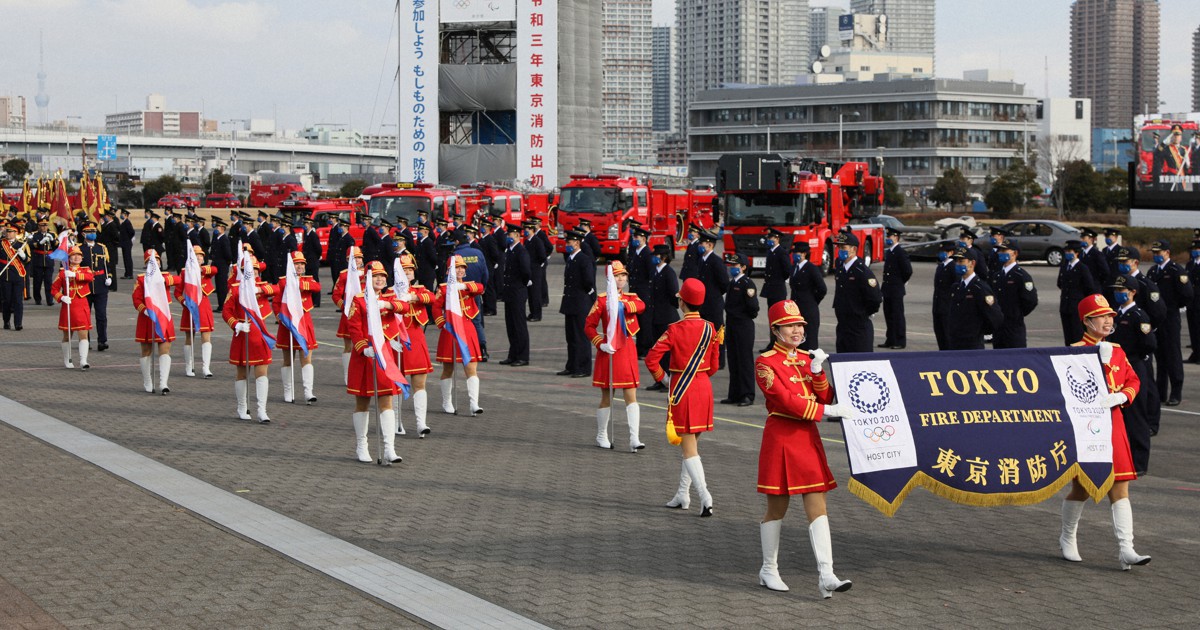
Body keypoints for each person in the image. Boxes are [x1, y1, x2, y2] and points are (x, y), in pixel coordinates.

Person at [753, 300, 855, 597]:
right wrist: (828, 412)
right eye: (790, 325)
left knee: (817, 503)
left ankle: (827, 573)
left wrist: (818, 371)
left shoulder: (803, 358)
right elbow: (785, 401)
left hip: (806, 437)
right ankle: (768, 569)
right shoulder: (765, 363)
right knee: (777, 506)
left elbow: (825, 395)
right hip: (782, 437)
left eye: (800, 325)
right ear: (775, 330)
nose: (797, 330)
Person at [1059, 294, 1151, 572]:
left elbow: (1133, 379)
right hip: (1087, 427)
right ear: (1087, 321)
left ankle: (1126, 549)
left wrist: (1123, 396)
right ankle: (1067, 536)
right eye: (1101, 316)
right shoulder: (1073, 351)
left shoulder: (1117, 350)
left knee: (1120, 486)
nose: (1108, 320)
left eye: (1110, 315)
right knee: (1083, 487)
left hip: (1114, 425)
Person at [646, 278, 720, 517]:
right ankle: (682, 494)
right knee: (693, 446)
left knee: (689, 449)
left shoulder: (674, 330)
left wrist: (664, 379)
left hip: (682, 389)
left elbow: (651, 359)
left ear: (682, 302)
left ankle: (705, 496)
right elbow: (713, 367)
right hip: (703, 387)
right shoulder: (711, 328)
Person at [345, 260, 409, 463]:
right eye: (376, 276)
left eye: (382, 276)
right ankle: (361, 446)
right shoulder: (358, 300)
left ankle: (389, 448)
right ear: (367, 279)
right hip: (365, 355)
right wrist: (363, 348)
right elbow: (354, 327)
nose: (380, 279)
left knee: (386, 400)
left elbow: (404, 307)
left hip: (383, 355)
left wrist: (387, 304)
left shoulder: (389, 297)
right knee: (362, 402)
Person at [585, 261, 646, 451]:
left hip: (626, 349)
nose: (621, 279)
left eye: (623, 276)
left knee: (631, 394)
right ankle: (601, 435)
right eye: (617, 276)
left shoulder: (631, 297)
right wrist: (600, 344)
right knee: (607, 397)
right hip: (609, 350)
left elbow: (641, 306)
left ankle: (634, 438)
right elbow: (589, 326)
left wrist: (621, 304)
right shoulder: (602, 300)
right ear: (609, 278)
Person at [1107, 274, 1157, 473]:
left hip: (1134, 366)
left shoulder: (1139, 316)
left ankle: (1139, 462)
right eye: (1117, 290)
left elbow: (1149, 344)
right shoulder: (1116, 314)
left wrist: (1136, 357)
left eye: (1122, 290)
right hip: (1117, 367)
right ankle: (1122, 458)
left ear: (1133, 292)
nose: (1118, 293)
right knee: (1121, 416)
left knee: (1136, 415)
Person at [223, 250, 276, 423]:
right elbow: (226, 311)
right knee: (242, 373)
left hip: (259, 333)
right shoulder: (236, 289)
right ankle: (242, 406)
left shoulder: (262, 286)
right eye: (249, 270)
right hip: (243, 333)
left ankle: (262, 410)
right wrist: (236, 324)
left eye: (255, 270)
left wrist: (259, 288)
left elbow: (276, 288)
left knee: (262, 372)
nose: (252, 272)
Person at [432, 255, 486, 415]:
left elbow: (481, 288)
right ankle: (447, 402)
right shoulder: (443, 289)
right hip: (451, 329)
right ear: (449, 270)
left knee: (471, 366)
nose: (460, 270)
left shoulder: (469, 286)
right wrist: (442, 323)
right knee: (448, 368)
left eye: (462, 267)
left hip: (467, 328)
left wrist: (461, 288)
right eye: (457, 267)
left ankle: (474, 403)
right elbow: (436, 308)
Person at [1145, 239, 1192, 406]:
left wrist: (1173, 308)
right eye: (1154, 253)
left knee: (1173, 356)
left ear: (1167, 253)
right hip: (1156, 320)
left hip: (1170, 318)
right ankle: (1160, 392)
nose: (1156, 255)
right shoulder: (1152, 271)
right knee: (1160, 357)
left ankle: (1176, 392)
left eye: (1159, 253)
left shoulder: (1175, 271)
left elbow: (1187, 294)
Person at [395, 254, 436, 437]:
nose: (408, 272)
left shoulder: (419, 290)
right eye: (405, 270)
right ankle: (396, 422)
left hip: (416, 338)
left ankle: (421, 423)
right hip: (397, 339)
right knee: (397, 383)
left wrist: (411, 296)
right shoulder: (390, 291)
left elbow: (431, 298)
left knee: (420, 382)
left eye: (410, 269)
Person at [274, 251, 321, 404]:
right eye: (296, 263)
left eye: (302, 264)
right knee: (288, 360)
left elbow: (317, 287)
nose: (300, 266)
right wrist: (280, 317)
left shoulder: (308, 280)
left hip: (304, 322)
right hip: (288, 324)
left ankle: (309, 392)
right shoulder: (283, 282)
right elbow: (276, 302)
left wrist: (297, 283)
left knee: (306, 357)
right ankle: (289, 391)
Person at [132, 250, 178, 394]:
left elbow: (179, 280)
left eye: (157, 260)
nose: (156, 262)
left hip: (163, 316)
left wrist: (165, 280)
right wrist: (145, 310)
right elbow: (136, 299)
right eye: (151, 261)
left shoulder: (165, 276)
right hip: (147, 318)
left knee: (165, 349)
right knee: (146, 351)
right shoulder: (141, 279)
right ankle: (148, 380)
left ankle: (163, 383)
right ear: (146, 264)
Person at [831, 231, 882, 353]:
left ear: (853, 249)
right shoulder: (840, 266)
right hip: (843, 325)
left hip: (858, 327)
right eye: (838, 247)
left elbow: (875, 298)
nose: (840, 250)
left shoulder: (861, 271)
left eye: (843, 247)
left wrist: (862, 313)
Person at [945, 247, 1004, 350]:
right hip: (955, 341)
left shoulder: (980, 288)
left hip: (972, 344)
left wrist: (979, 331)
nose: (958, 264)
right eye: (957, 261)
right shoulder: (956, 287)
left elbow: (995, 317)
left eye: (961, 261)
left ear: (972, 263)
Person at [721, 253, 759, 406]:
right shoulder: (732, 283)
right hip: (732, 325)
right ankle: (735, 393)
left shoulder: (747, 284)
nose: (732, 268)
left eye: (735, 266)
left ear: (743, 267)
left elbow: (753, 307)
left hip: (743, 325)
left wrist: (743, 316)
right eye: (730, 265)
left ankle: (747, 394)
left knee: (744, 361)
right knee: (733, 359)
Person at [559, 229, 596, 378]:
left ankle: (583, 367)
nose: (567, 244)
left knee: (581, 337)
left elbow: (588, 282)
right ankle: (572, 365)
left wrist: (584, 295)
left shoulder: (583, 259)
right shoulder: (571, 258)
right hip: (570, 302)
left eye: (569, 242)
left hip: (580, 302)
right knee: (571, 336)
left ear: (577, 243)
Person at [175, 245, 217, 378]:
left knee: (206, 335)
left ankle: (206, 368)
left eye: (201, 255)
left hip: (203, 306)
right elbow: (177, 292)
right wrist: (184, 302)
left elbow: (215, 270)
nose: (199, 257)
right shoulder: (184, 272)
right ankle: (189, 366)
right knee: (189, 336)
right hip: (190, 307)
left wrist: (199, 268)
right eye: (196, 255)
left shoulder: (206, 270)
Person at [988, 239, 1038, 349]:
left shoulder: (1021, 276)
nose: (1000, 253)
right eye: (1000, 250)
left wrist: (1016, 313)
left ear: (1014, 253)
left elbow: (1031, 301)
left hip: (1014, 327)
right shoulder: (997, 276)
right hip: (998, 328)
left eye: (1004, 250)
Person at [51, 246, 94, 369]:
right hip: (68, 305)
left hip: (81, 304)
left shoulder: (86, 269)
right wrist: (61, 297)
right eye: (73, 255)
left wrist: (74, 274)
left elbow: (89, 278)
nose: (76, 257)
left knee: (83, 333)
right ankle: (67, 359)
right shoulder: (62, 272)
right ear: (68, 258)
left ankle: (83, 360)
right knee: (67, 335)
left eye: (79, 255)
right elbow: (53, 289)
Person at [644, 244, 679, 392]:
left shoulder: (668, 272)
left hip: (666, 317)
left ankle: (669, 381)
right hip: (655, 316)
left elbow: (673, 294)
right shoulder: (656, 271)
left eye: (656, 255)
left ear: (663, 257)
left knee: (667, 353)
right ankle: (659, 379)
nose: (654, 257)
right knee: (657, 350)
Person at [499, 223, 531, 367]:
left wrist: (521, 285)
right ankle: (513, 354)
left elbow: (526, 272)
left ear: (517, 236)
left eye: (510, 235)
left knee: (519, 325)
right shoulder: (509, 250)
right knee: (510, 325)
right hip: (509, 292)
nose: (508, 237)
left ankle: (523, 356)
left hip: (518, 291)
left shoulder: (521, 251)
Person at [334, 247, 367, 385]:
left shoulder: (369, 273)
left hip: (366, 315)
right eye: (354, 258)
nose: (357, 260)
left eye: (359, 257)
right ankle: (348, 375)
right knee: (349, 346)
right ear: (348, 260)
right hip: (349, 314)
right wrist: (346, 308)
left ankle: (363, 374)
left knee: (365, 344)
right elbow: (336, 295)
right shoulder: (344, 275)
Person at [1057, 240, 1098, 345]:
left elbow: (1090, 288)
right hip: (1065, 306)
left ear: (1076, 252)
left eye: (1069, 251)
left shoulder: (1082, 268)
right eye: (1066, 251)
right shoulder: (1064, 266)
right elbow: (1060, 283)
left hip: (1077, 307)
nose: (1067, 253)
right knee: (1068, 336)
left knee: (1077, 335)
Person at [80, 221, 112, 353]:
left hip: (100, 285)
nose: (92, 234)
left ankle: (102, 340)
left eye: (94, 232)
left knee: (101, 315)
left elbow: (108, 265)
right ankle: (85, 340)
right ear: (83, 234)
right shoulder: (79, 249)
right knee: (85, 316)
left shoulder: (102, 248)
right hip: (85, 286)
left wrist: (109, 276)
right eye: (89, 232)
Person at [788, 242, 826, 352]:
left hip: (808, 309)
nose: (795, 255)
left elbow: (822, 289)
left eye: (797, 253)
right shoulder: (794, 267)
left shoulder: (811, 268)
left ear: (804, 254)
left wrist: (812, 301)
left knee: (809, 342)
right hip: (796, 309)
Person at [878, 227, 912, 349]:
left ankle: (899, 340)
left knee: (897, 316)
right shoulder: (890, 252)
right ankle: (891, 339)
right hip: (888, 289)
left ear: (896, 237)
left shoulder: (900, 252)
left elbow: (907, 270)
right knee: (889, 315)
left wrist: (900, 282)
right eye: (887, 236)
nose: (888, 239)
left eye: (890, 236)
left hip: (896, 289)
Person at [626, 226, 654, 357]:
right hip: (634, 291)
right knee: (636, 321)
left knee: (644, 322)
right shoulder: (635, 253)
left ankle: (645, 348)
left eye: (636, 237)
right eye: (633, 237)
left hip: (643, 292)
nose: (634, 239)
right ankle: (639, 347)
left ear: (643, 238)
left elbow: (651, 275)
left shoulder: (647, 254)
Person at [1, 223, 30, 330]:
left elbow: (28, 260)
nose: (8, 234)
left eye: (11, 232)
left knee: (18, 300)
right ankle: (6, 321)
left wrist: (22, 255)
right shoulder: (1, 244)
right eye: (7, 231)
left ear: (15, 233)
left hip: (17, 276)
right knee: (6, 300)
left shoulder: (21, 244)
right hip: (5, 276)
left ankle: (18, 323)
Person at [931, 241, 956, 350]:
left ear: (951, 252)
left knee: (947, 335)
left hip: (947, 306)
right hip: (938, 305)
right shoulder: (940, 267)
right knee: (939, 333)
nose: (941, 254)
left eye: (944, 252)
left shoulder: (953, 267)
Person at [27, 218, 57, 306]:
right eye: (42, 225)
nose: (44, 227)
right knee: (37, 281)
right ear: (39, 226)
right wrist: (40, 243)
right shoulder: (35, 235)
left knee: (48, 281)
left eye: (45, 225)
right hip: (38, 260)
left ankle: (49, 300)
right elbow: (31, 245)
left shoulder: (52, 234)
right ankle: (37, 298)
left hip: (48, 260)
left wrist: (52, 240)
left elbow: (57, 245)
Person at [524, 219, 549, 321]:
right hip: (529, 270)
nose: (525, 231)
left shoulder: (537, 241)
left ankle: (537, 315)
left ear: (531, 230)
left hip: (535, 270)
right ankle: (532, 312)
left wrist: (537, 265)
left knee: (535, 293)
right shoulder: (527, 241)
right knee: (530, 293)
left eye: (526, 229)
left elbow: (542, 256)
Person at [209, 218, 234, 311]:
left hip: (222, 266)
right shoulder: (217, 238)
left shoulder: (224, 239)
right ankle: (220, 305)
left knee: (222, 286)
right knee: (218, 286)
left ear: (223, 229)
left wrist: (226, 264)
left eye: (218, 227)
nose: (216, 228)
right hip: (217, 265)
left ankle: (223, 305)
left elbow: (228, 254)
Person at [301, 218, 323, 308]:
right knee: (308, 281)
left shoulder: (313, 235)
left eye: (306, 224)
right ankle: (310, 300)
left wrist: (315, 258)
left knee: (314, 281)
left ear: (310, 225)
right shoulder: (306, 234)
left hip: (313, 261)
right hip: (308, 262)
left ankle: (316, 301)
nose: (305, 225)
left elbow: (319, 249)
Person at [1187, 239, 1200, 364]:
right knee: (1193, 329)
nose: (1195, 251)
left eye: (1197, 249)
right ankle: (1195, 353)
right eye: (1194, 250)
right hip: (1192, 302)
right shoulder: (1190, 264)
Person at [119, 209, 136, 279]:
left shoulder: (127, 222)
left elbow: (132, 232)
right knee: (125, 259)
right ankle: (127, 273)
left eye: (122, 214)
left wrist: (127, 239)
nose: (121, 215)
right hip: (124, 243)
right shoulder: (124, 222)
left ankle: (129, 274)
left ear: (125, 215)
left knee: (128, 258)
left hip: (127, 243)